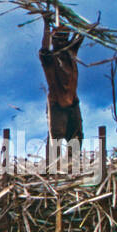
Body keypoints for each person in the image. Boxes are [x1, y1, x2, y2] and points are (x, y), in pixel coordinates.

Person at [40, 16, 87, 145]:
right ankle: (56, 164)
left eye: (64, 38)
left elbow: (81, 35)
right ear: (53, 40)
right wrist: (46, 24)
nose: (61, 42)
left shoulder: (70, 53)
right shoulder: (49, 59)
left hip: (72, 103)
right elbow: (44, 48)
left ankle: (73, 164)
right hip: (57, 104)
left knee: (76, 137)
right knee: (56, 139)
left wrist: (78, 25)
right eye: (57, 39)